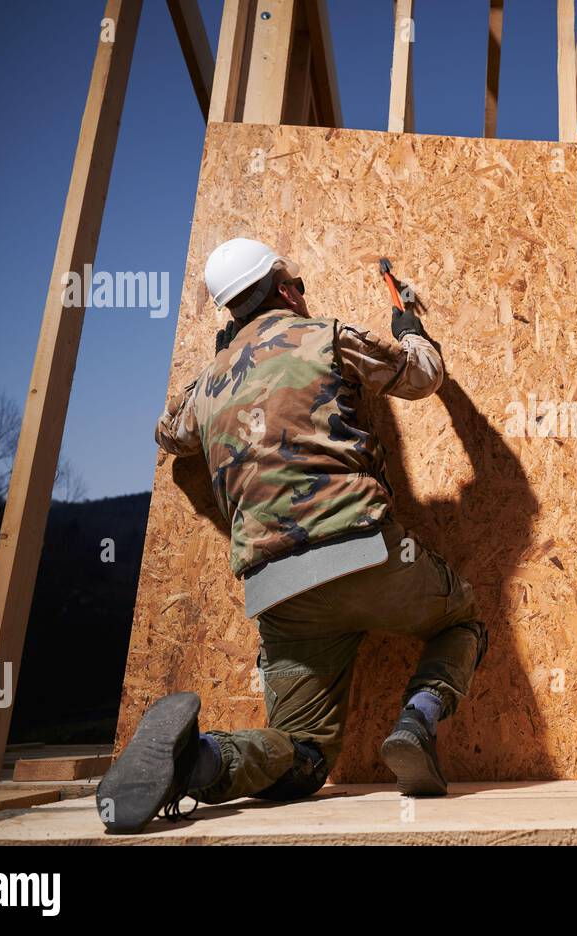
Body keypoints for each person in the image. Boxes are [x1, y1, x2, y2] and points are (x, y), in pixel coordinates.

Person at [96, 238, 487, 834]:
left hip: (277, 589)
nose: (302, 295)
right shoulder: (328, 336)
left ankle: (198, 761)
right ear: (284, 290)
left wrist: (224, 360)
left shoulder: (206, 386)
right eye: (296, 286)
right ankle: (417, 720)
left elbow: (167, 435)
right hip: (365, 552)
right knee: (462, 619)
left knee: (303, 758)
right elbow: (425, 376)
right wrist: (408, 326)